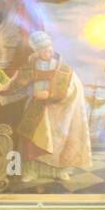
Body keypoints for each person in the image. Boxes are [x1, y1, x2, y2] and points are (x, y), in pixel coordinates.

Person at [13, 30, 92, 183]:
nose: (47, 52)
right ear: (37, 52)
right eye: (43, 50)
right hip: (35, 109)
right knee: (32, 142)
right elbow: (18, 88)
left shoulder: (64, 69)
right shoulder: (29, 67)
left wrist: (49, 95)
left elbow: (74, 88)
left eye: (49, 49)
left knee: (58, 141)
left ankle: (59, 171)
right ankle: (32, 171)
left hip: (58, 111)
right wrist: (0, 96)